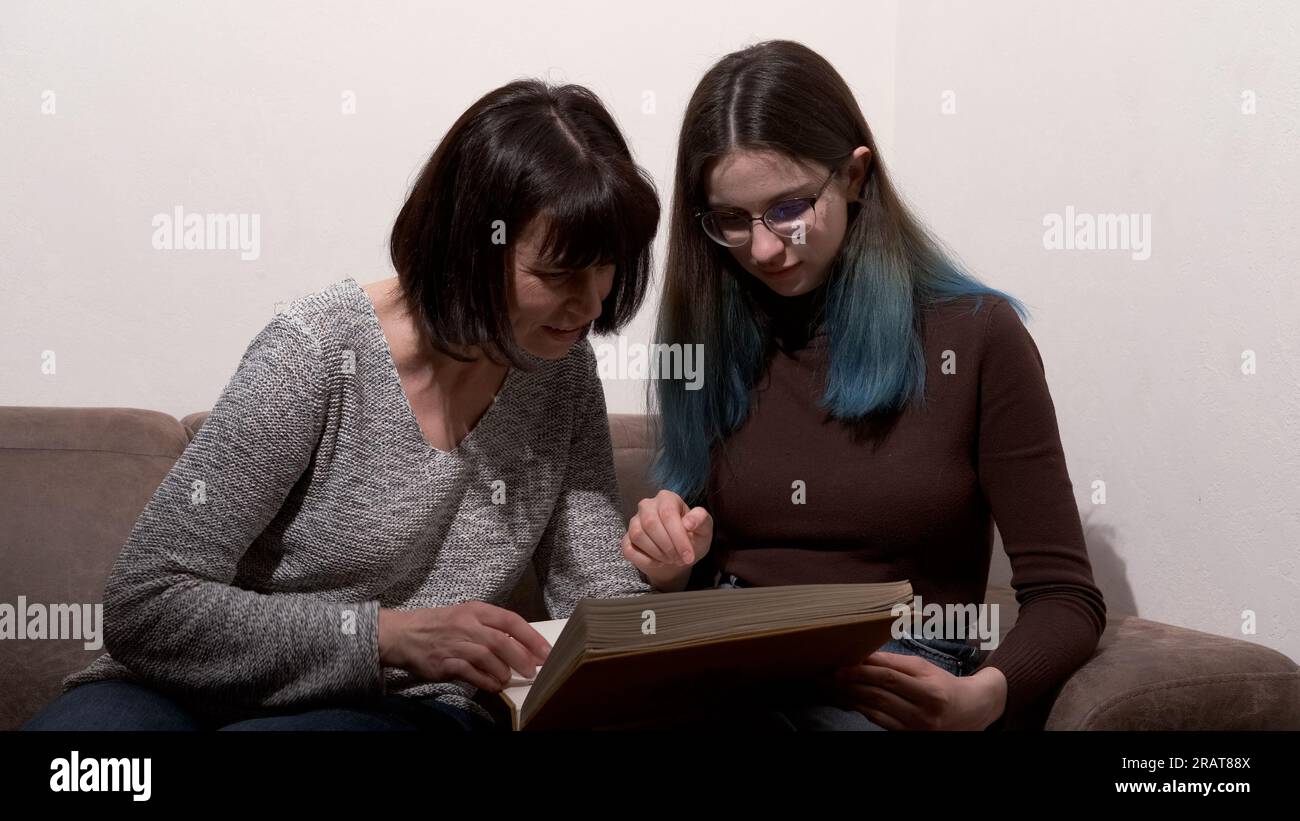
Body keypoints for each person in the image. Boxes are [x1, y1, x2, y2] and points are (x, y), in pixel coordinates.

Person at [24, 78, 661, 731]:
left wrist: (661, 571)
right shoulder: (315, 353)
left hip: (405, 707)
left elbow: (595, 604)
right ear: (471, 246)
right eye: (557, 273)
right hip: (182, 691)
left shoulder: (561, 369)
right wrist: (382, 634)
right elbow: (147, 602)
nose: (590, 304)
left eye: (606, 265)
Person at [622, 40, 1107, 731]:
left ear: (853, 176)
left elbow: (1066, 595)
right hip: (727, 663)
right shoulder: (713, 335)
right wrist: (671, 568)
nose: (761, 248)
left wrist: (987, 693)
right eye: (731, 220)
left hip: (885, 674)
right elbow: (697, 564)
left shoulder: (975, 336)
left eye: (789, 207)